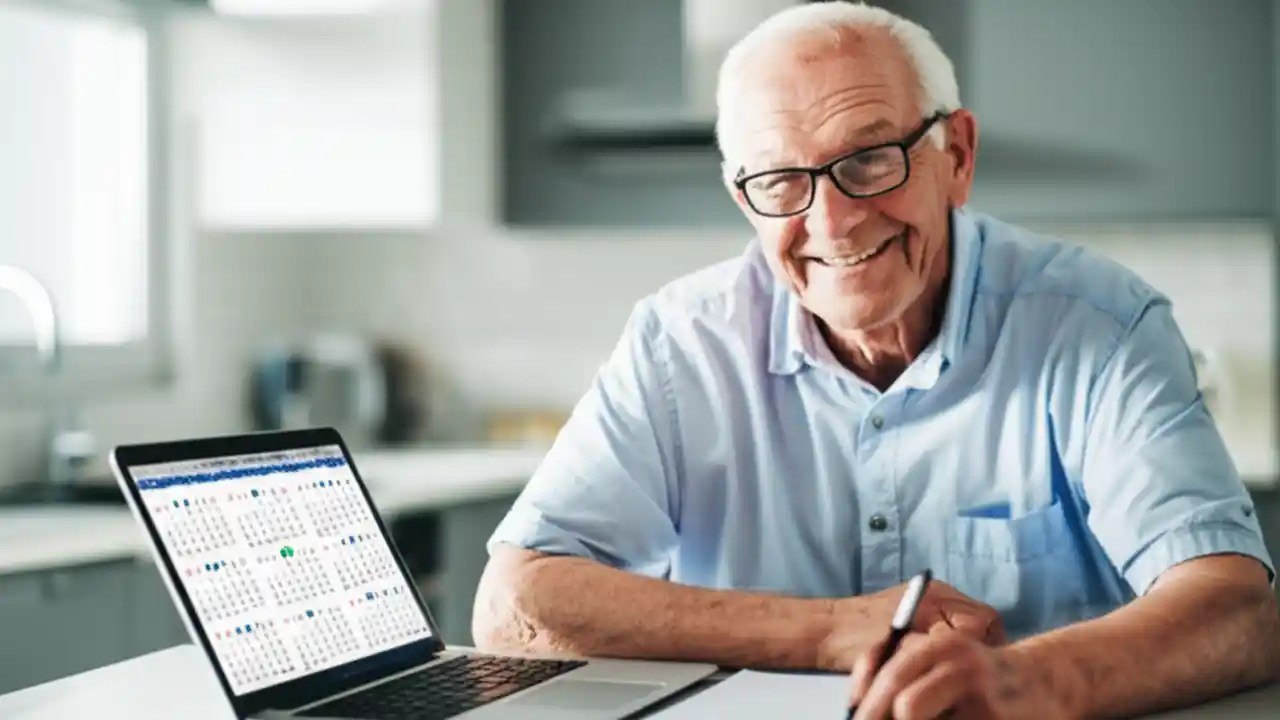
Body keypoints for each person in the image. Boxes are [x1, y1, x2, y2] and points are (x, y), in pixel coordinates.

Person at [473, 3, 1280, 717]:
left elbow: (1239, 614)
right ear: (743, 199)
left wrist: (1032, 685)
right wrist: (833, 630)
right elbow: (515, 602)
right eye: (783, 180)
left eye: (870, 160)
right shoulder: (678, 341)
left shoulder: (1098, 325)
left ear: (956, 156)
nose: (834, 221)